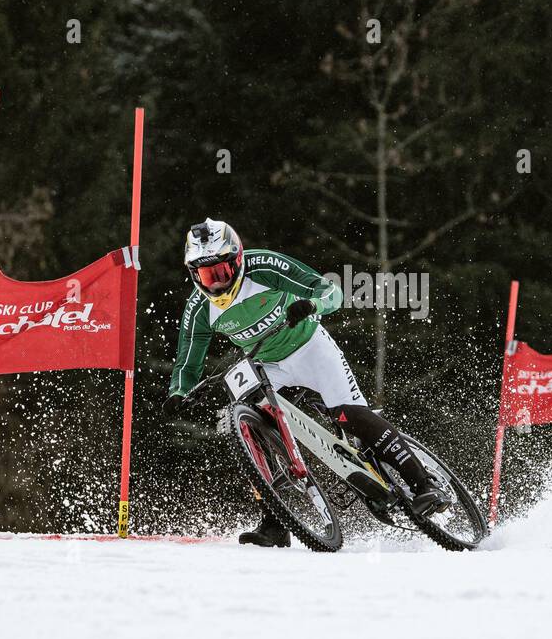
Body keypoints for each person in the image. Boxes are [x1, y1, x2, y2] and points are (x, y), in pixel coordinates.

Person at [164, 218, 447, 547]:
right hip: (267, 364)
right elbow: (188, 359)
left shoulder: (264, 267)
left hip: (311, 348)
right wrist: (179, 391)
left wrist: (313, 303)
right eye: (205, 276)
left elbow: (330, 291)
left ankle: (424, 483)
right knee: (253, 428)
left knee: (348, 415)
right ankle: (274, 522)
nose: (215, 284)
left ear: (238, 259)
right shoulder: (199, 308)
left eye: (222, 273)